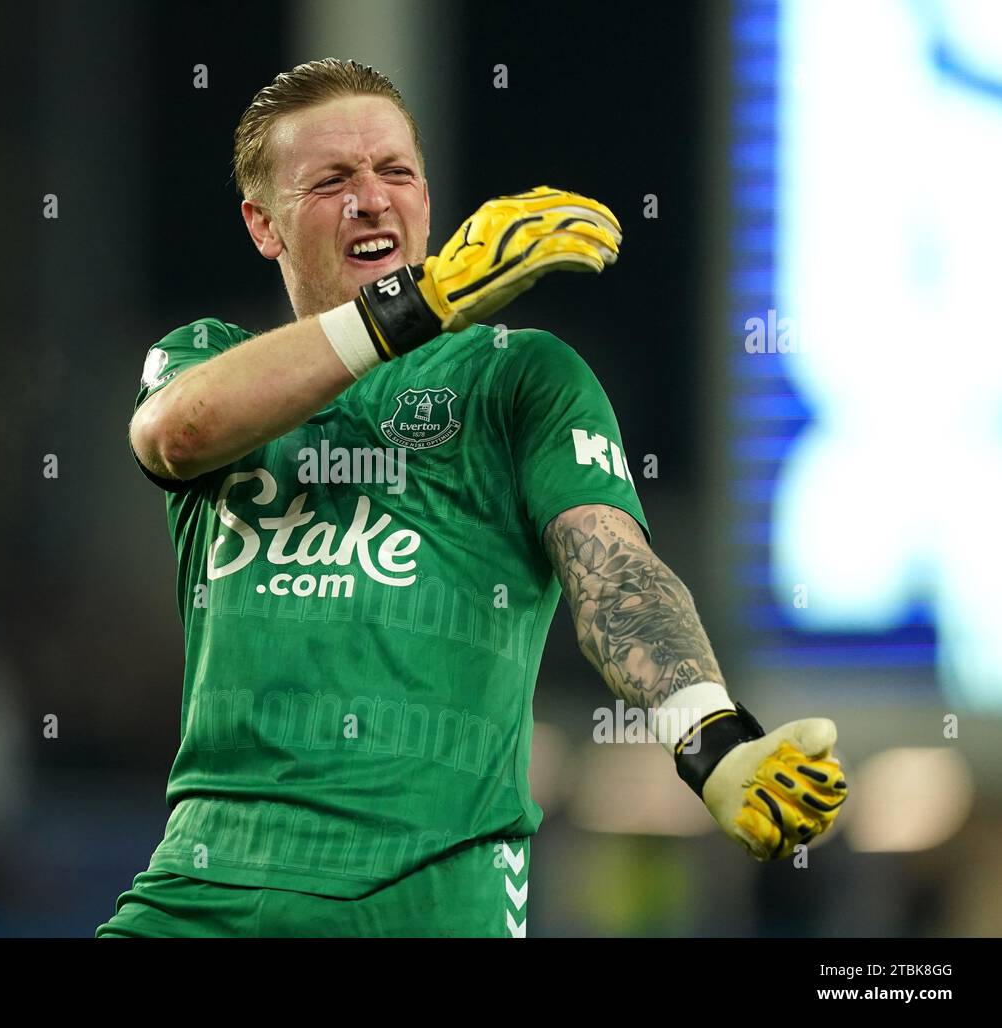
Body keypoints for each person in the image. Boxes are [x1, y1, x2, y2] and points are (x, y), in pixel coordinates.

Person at [96, 58, 846, 939]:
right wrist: (417, 303)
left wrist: (710, 737)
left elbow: (616, 575)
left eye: (396, 172)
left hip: (432, 904)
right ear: (263, 225)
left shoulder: (521, 377)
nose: (373, 199)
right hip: (203, 892)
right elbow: (174, 434)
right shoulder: (204, 359)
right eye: (333, 180)